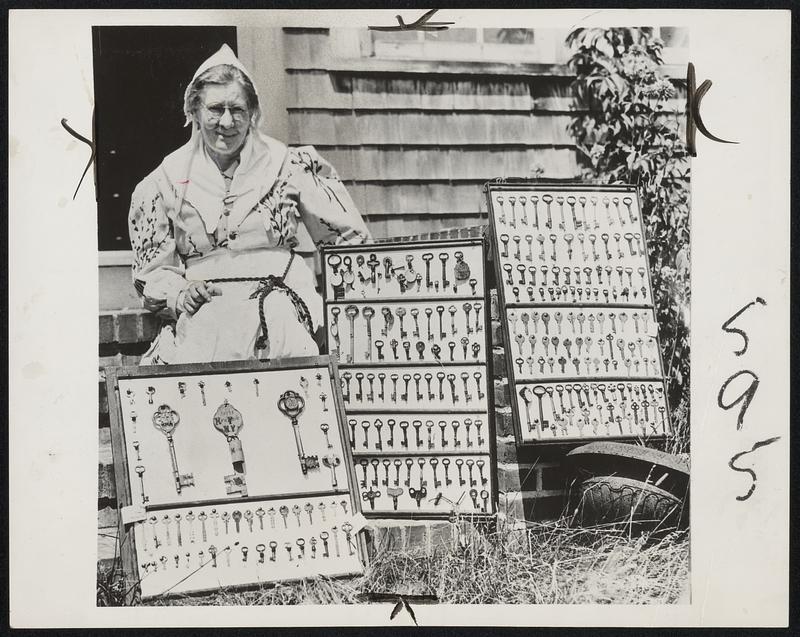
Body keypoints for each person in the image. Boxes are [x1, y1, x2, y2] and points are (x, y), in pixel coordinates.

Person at [128, 45, 370, 364]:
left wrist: (343, 312)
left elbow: (347, 242)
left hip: (283, 303)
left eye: (238, 109)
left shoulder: (288, 166)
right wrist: (181, 294)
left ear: (253, 112)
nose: (227, 122)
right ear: (194, 111)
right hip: (206, 314)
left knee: (284, 334)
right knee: (202, 352)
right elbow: (152, 272)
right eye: (215, 109)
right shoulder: (165, 181)